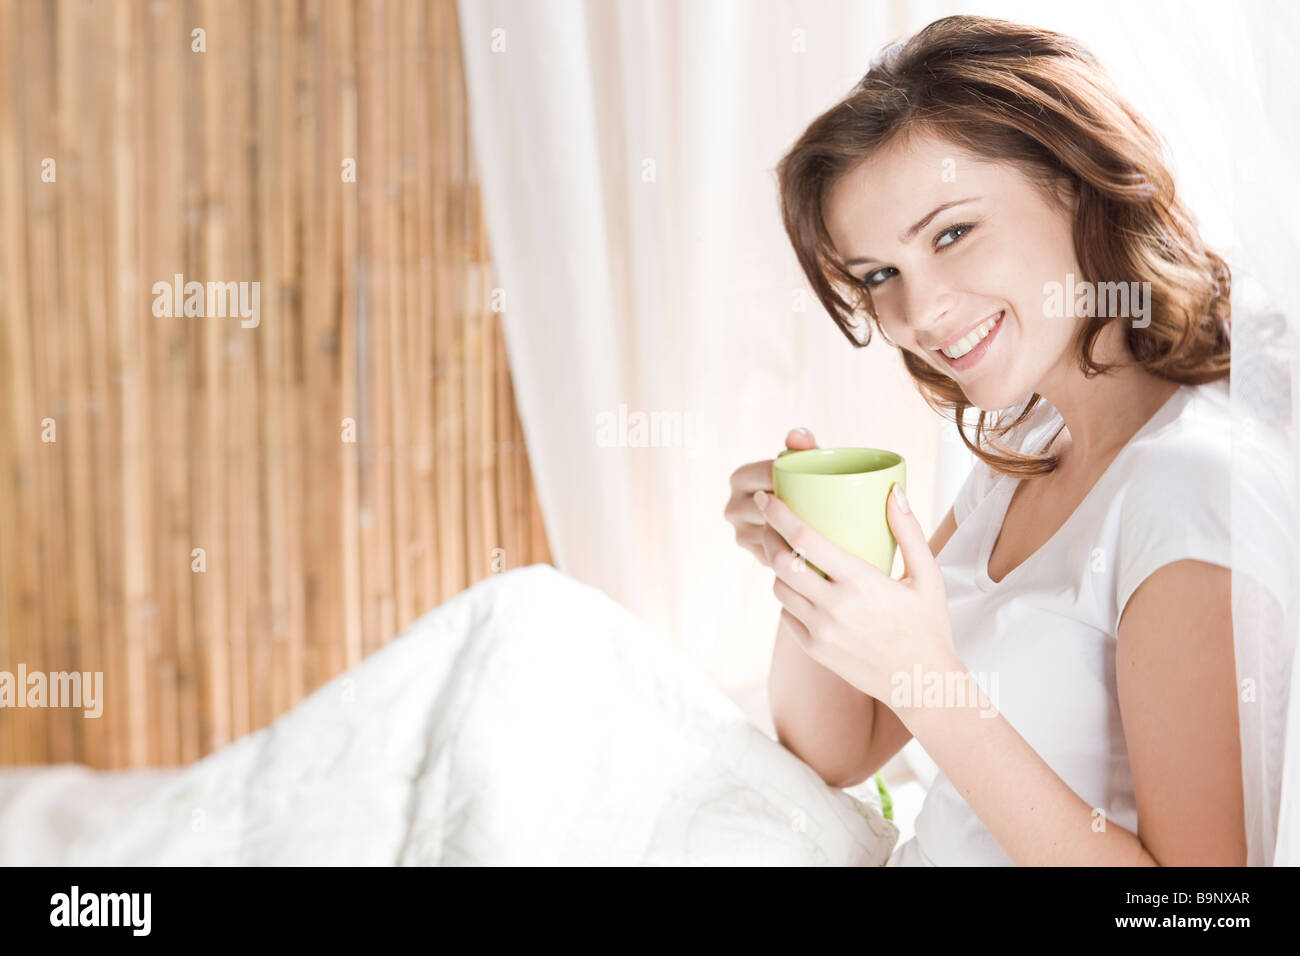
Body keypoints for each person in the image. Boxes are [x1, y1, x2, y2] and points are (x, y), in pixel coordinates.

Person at [725, 15, 1292, 865]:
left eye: (951, 233)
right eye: (880, 275)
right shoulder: (1034, 438)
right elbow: (838, 750)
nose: (918, 315)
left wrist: (937, 684)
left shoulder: (1189, 493)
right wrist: (806, 565)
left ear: (1077, 182)